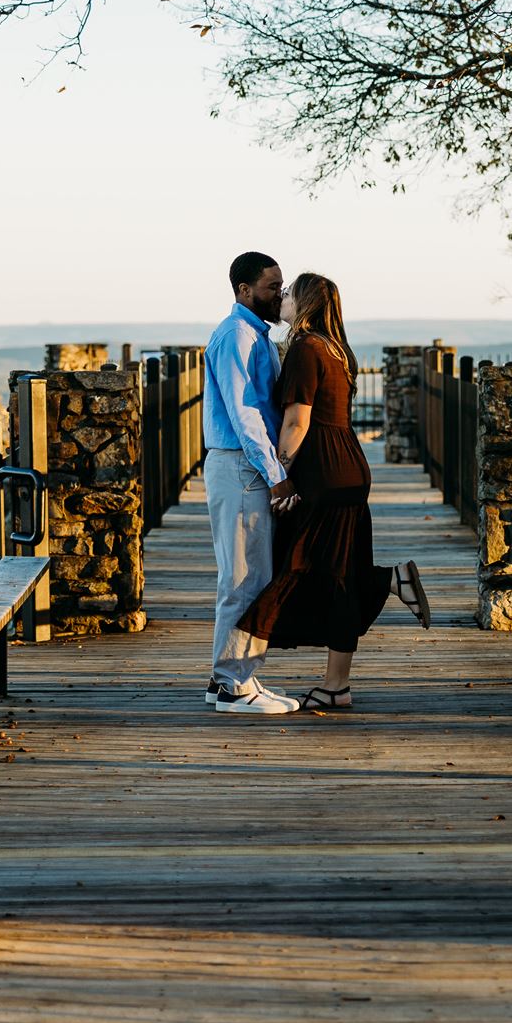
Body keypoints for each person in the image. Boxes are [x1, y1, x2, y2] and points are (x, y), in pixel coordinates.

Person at [238, 271, 431, 711]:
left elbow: (297, 421)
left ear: (303, 303)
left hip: (323, 474)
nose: (281, 298)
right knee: (340, 571)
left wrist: (277, 473)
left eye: (288, 293)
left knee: (311, 569)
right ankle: (341, 675)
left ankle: (242, 677)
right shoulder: (337, 349)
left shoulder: (307, 348)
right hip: (348, 467)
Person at [201, 252, 300, 714]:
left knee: (249, 573)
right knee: (244, 577)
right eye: (270, 286)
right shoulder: (237, 336)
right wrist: (275, 476)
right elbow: (247, 416)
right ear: (243, 290)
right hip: (243, 466)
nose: (278, 295)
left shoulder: (253, 334)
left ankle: (230, 677)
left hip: (243, 467)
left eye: (281, 287)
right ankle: (233, 685)